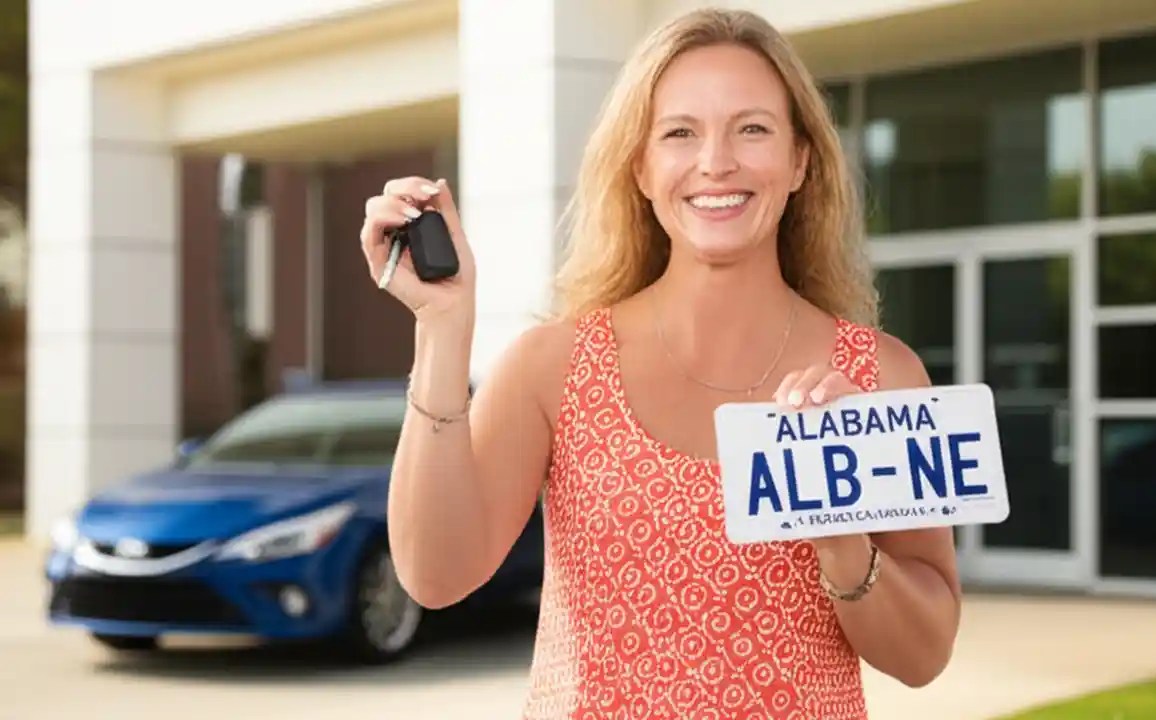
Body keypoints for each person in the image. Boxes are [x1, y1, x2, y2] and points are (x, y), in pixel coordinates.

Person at [359, 7, 960, 718]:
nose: (716, 162)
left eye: (753, 129)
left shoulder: (879, 379)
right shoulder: (552, 368)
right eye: (680, 132)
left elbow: (922, 658)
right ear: (640, 166)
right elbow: (434, 575)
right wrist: (441, 326)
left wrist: (841, 538)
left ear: (801, 159)